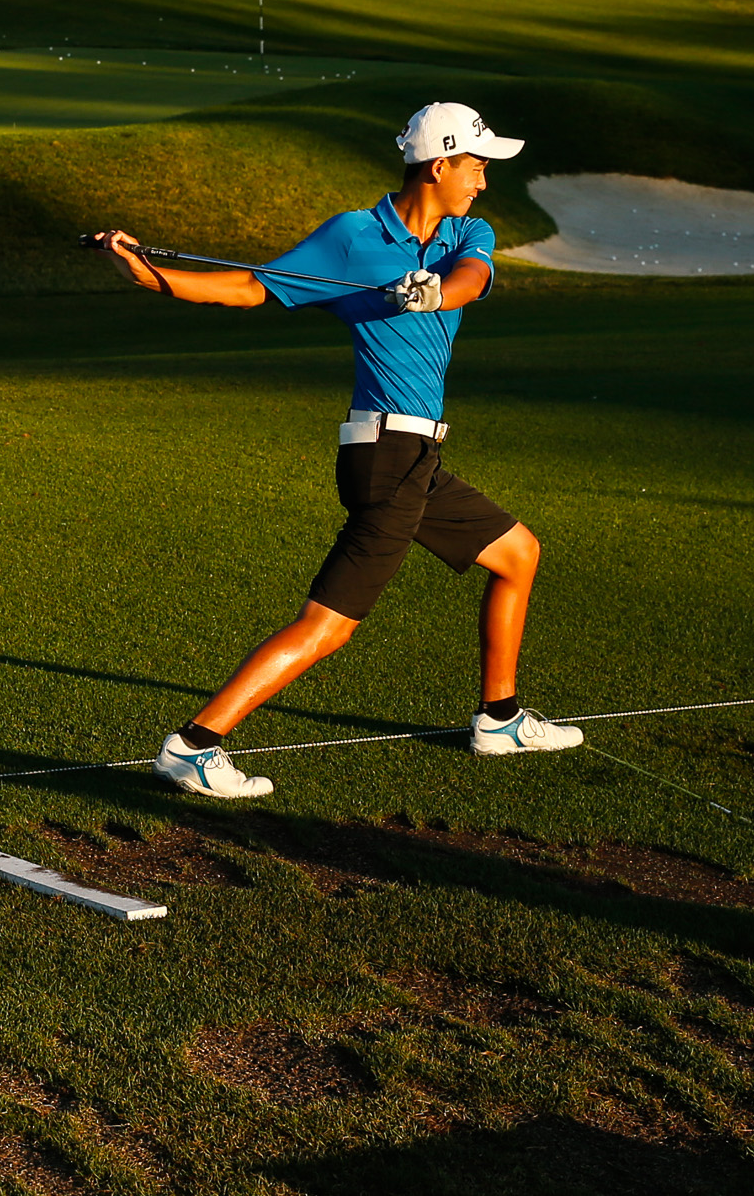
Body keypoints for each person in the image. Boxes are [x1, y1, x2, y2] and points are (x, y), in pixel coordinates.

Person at [90, 101, 583, 800]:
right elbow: (251, 286)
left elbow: (472, 278)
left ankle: (498, 718)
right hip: (384, 454)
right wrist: (149, 273)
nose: (482, 180)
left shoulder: (465, 232)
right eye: (475, 166)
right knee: (327, 626)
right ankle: (195, 744)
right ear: (439, 164)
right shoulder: (350, 239)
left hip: (416, 457)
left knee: (517, 553)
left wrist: (432, 291)